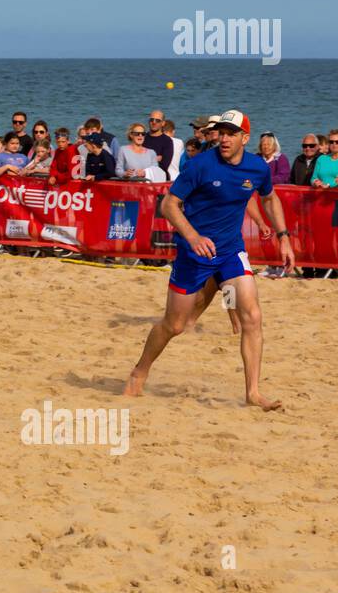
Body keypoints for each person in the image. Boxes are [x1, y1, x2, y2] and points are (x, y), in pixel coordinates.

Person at [124, 110, 294, 411]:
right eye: (221, 132)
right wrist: (192, 237)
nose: (224, 138)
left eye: (231, 133)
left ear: (245, 137)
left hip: (230, 251)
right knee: (174, 325)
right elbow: (169, 205)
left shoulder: (256, 168)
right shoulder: (201, 164)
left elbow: (268, 197)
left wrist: (283, 236)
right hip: (193, 253)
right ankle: (141, 369)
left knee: (252, 317)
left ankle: (252, 392)